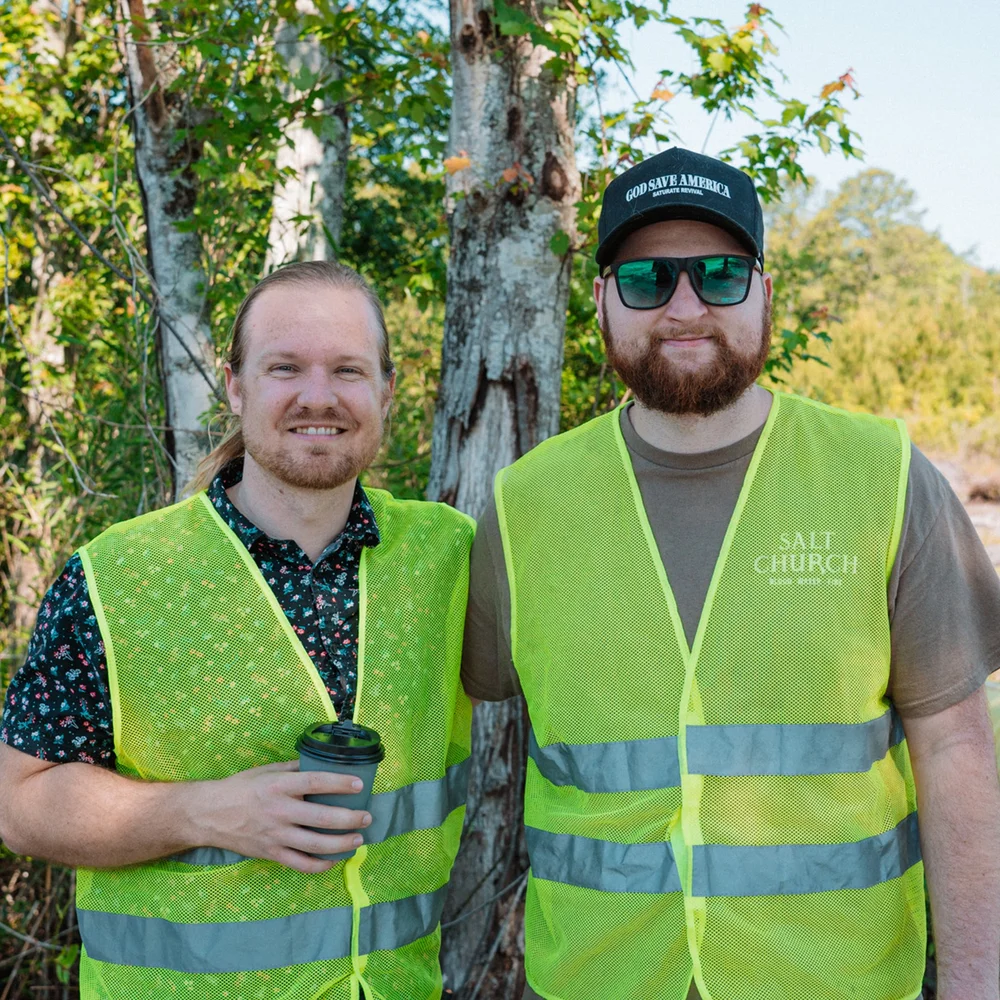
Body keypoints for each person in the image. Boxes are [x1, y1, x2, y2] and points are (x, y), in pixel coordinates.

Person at [461, 148, 1000, 1000]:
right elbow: (431, 736)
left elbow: (958, 750)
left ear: (764, 293)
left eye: (718, 274)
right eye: (647, 279)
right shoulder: (524, 506)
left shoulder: (884, 478)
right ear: (601, 300)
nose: (684, 307)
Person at [0, 261, 475, 1000]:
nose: (318, 397)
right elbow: (18, 803)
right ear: (235, 384)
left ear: (386, 388)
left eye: (347, 370)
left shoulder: (450, 557)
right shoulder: (117, 576)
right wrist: (201, 810)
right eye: (284, 367)